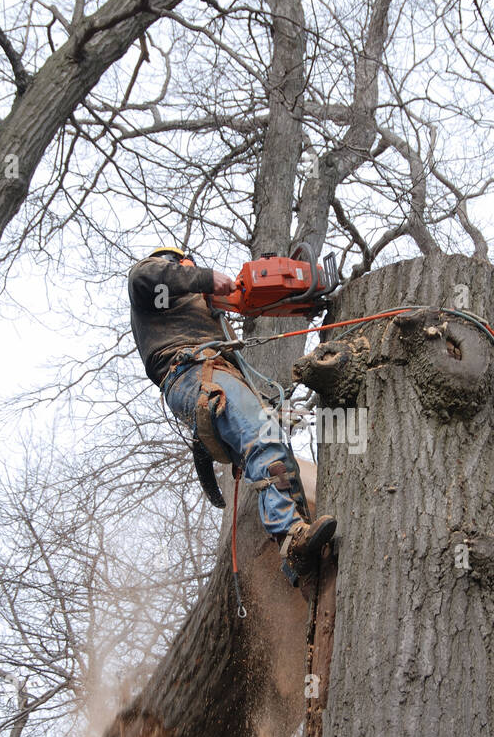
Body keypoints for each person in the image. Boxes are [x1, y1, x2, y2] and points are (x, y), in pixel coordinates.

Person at [128, 240, 337, 582]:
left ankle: (300, 547)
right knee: (262, 435)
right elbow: (148, 278)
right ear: (176, 263)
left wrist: (298, 298)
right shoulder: (152, 283)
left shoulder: (200, 303)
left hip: (216, 373)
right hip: (191, 371)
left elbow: (250, 298)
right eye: (186, 266)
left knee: (274, 447)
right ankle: (289, 534)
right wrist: (206, 277)